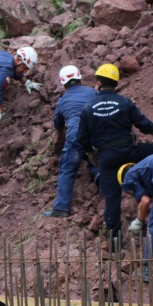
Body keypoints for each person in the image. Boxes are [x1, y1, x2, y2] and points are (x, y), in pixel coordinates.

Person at [76, 64, 153, 242]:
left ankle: (114, 237)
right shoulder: (124, 102)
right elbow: (143, 124)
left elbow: (82, 138)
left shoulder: (88, 107)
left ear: (99, 83)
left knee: (111, 196)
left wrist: (92, 153)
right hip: (130, 151)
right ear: (116, 84)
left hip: (107, 157)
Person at [43, 65, 100, 218]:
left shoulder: (63, 100)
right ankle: (104, 184)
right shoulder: (92, 92)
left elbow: (57, 125)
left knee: (67, 169)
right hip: (95, 134)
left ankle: (61, 208)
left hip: (75, 137)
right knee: (95, 160)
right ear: (79, 77)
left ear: (63, 82)